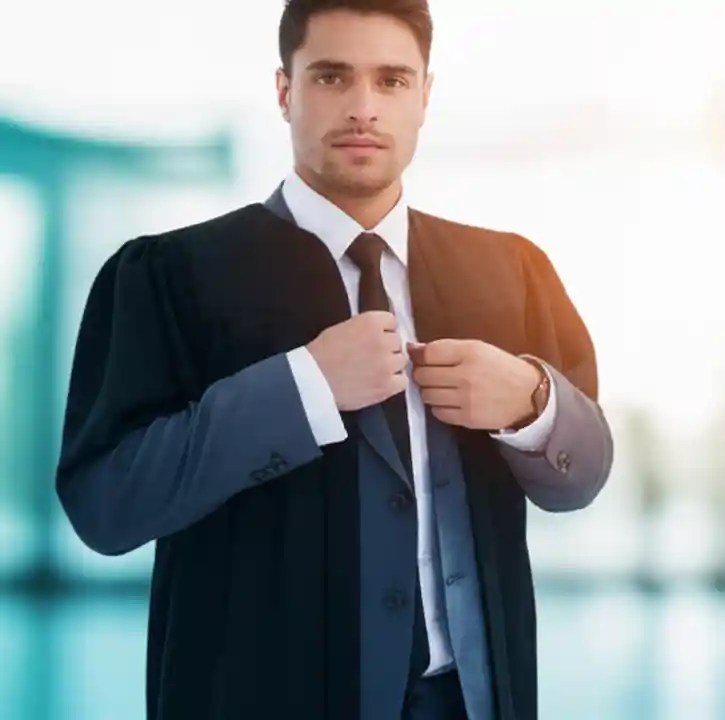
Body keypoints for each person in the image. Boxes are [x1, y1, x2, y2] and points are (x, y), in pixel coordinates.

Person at [55, 1, 613, 718]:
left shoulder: (511, 270)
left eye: (391, 81)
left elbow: (584, 475)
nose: (362, 108)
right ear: (284, 90)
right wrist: (303, 388)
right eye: (330, 78)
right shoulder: (168, 276)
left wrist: (532, 404)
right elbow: (108, 504)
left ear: (424, 97)